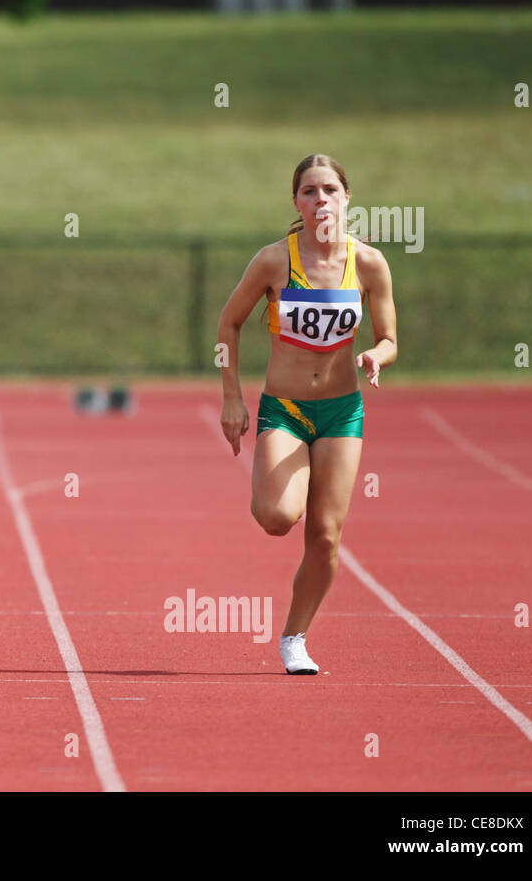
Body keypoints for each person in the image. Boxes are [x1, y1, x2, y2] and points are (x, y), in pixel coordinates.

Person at [216, 153, 397, 674]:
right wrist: (233, 397)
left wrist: (374, 357)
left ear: (347, 197)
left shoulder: (368, 263)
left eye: (330, 190)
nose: (321, 200)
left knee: (324, 537)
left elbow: (389, 339)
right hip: (287, 408)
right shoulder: (274, 260)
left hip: (342, 413)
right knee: (276, 517)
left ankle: (294, 638)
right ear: (296, 202)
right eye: (310, 191)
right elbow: (229, 323)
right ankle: (274, 486)